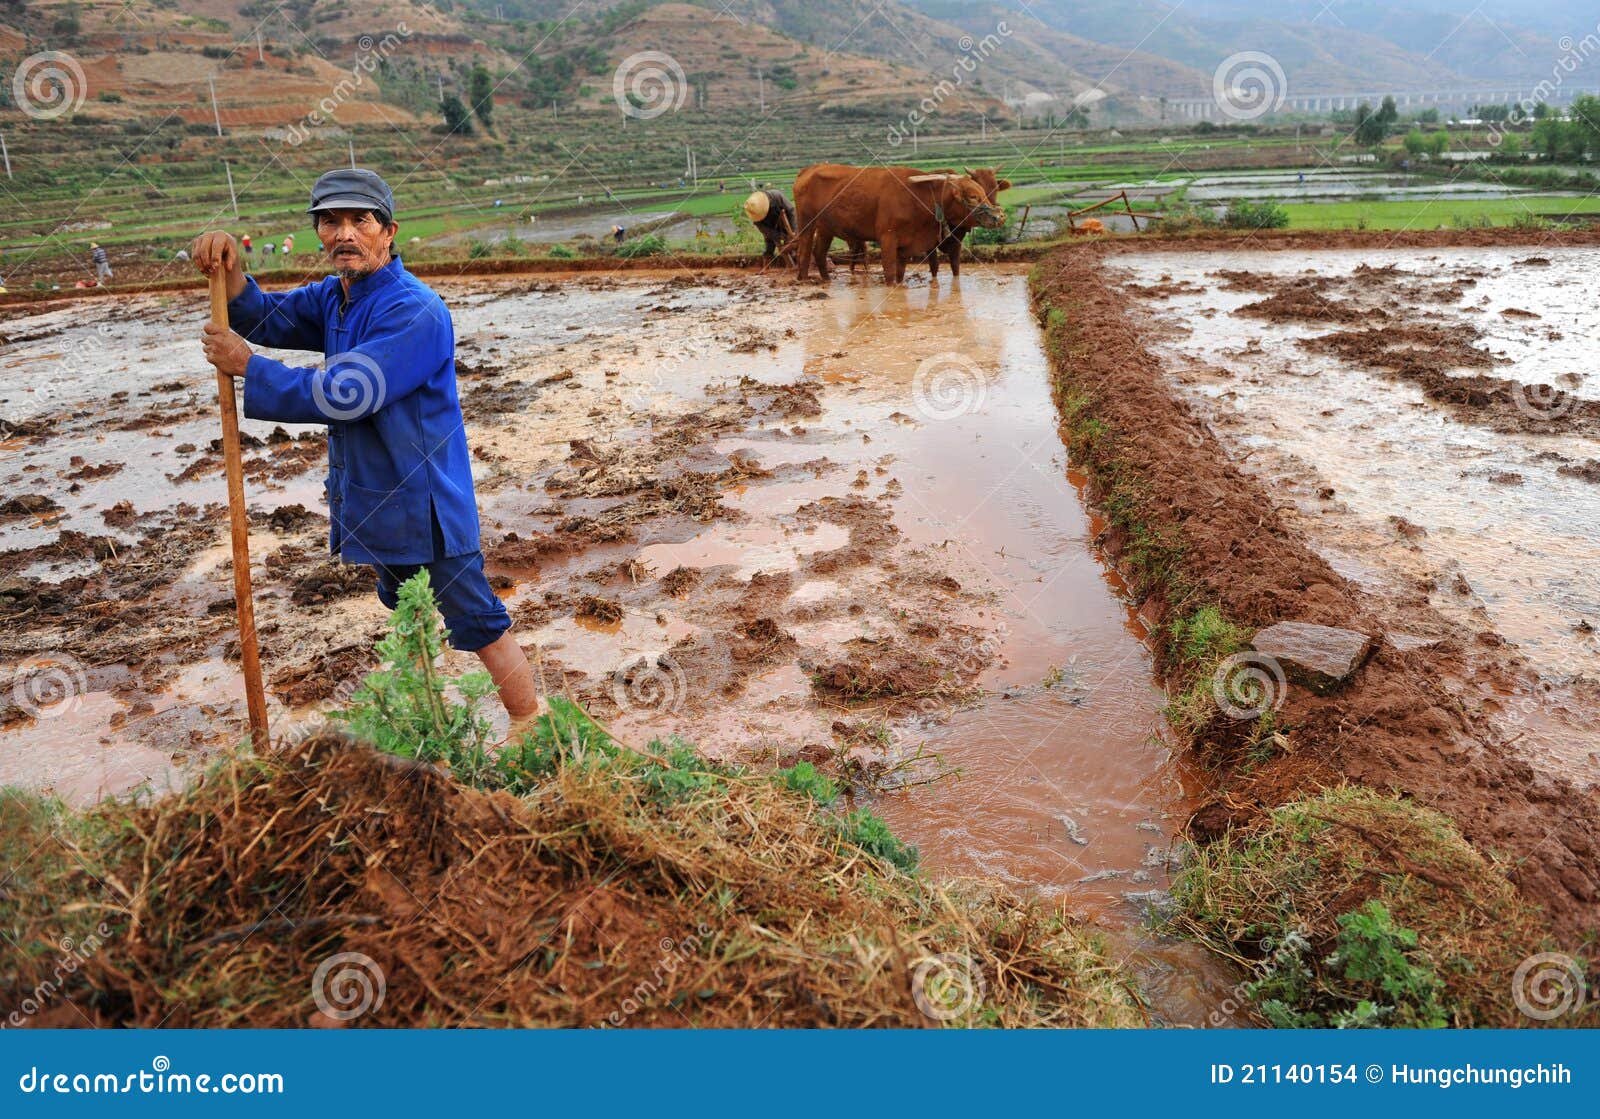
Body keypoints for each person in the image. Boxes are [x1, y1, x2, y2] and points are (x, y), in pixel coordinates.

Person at [190, 168, 541, 736]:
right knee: (408, 611)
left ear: (388, 231)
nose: (344, 233)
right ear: (319, 234)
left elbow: (348, 393)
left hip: (424, 504)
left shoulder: (415, 311)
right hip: (375, 499)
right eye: (331, 221)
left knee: (476, 618)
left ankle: (531, 725)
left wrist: (249, 367)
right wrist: (229, 268)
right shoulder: (336, 297)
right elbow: (263, 316)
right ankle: (431, 715)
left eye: (360, 220)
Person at [743, 189, 796, 264]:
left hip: (785, 220)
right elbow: (767, 231)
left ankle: (795, 257)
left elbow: (791, 211)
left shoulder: (777, 197)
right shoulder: (754, 211)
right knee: (769, 242)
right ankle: (769, 258)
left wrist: (793, 232)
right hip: (769, 226)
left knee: (793, 241)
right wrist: (779, 237)